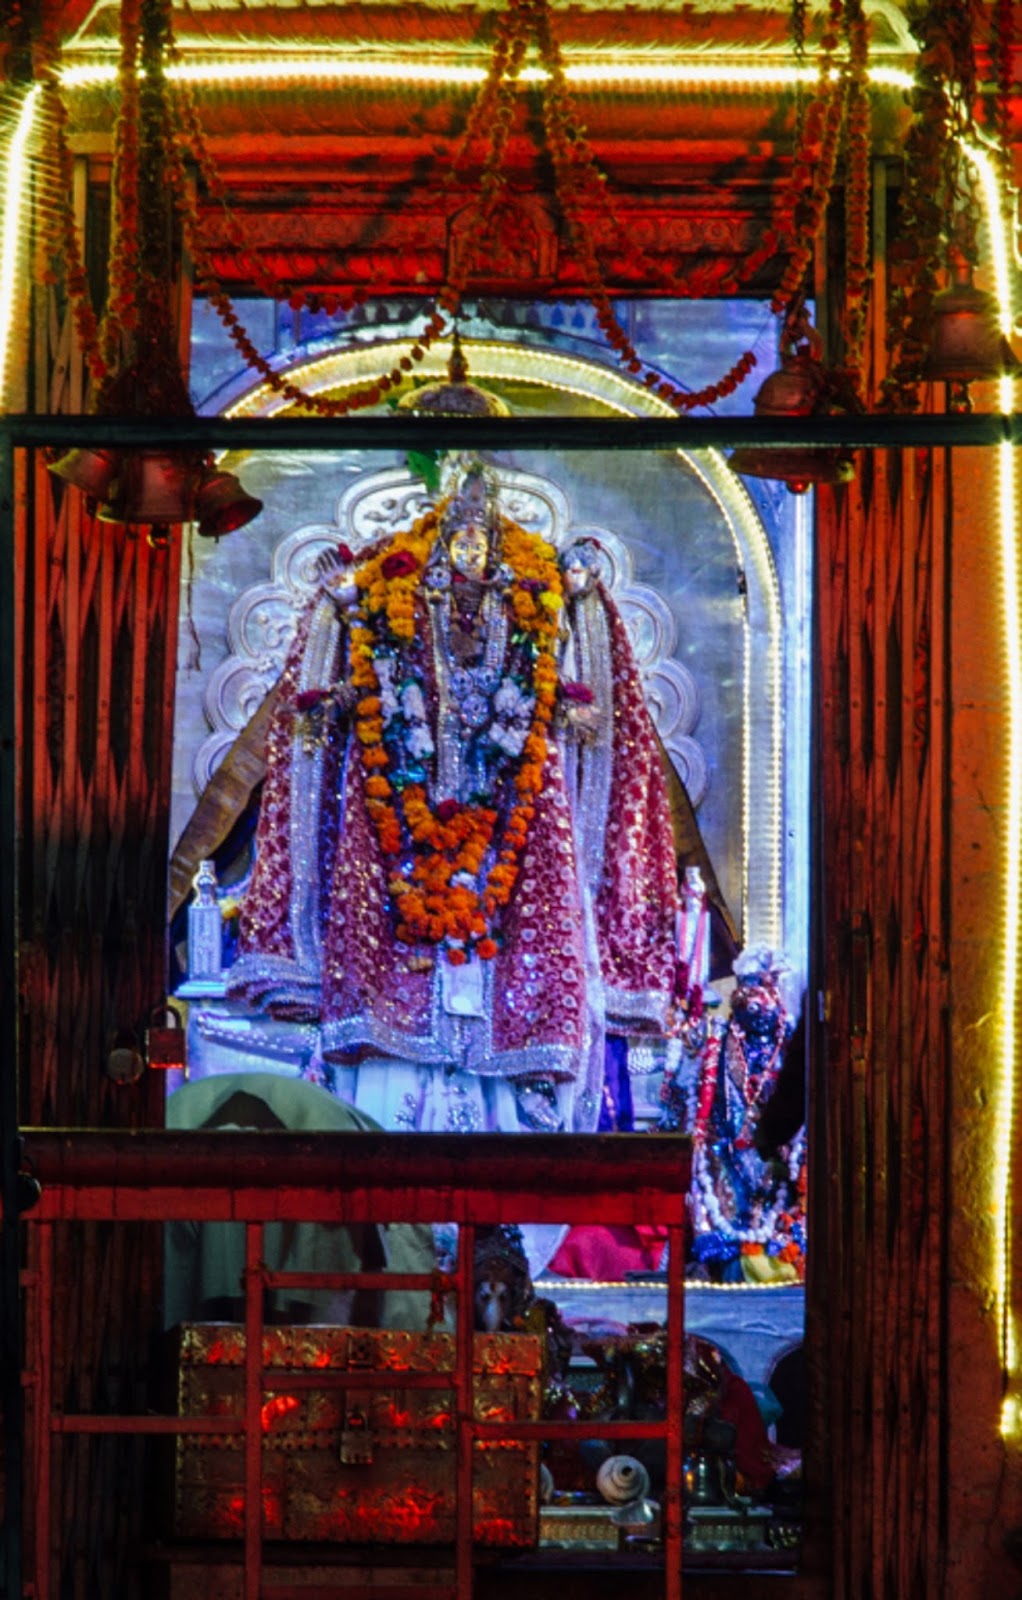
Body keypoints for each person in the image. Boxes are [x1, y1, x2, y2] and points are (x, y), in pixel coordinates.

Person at [225, 455, 681, 1136]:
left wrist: (563, 696)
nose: (469, 549)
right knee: (391, 1053)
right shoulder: (391, 587)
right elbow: (345, 693)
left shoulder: (539, 588)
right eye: (458, 539)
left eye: (480, 539)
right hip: (401, 829)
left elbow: (580, 688)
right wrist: (342, 644)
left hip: (516, 825)